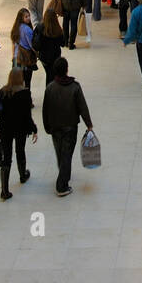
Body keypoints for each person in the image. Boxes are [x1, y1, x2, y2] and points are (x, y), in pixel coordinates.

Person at [40, 56, 92, 197]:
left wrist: (46, 126)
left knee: (60, 152)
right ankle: (61, 185)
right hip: (70, 126)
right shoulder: (74, 87)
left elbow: (45, 109)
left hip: (55, 126)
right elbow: (82, 106)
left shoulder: (50, 88)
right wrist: (89, 124)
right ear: (66, 70)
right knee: (67, 153)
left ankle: (63, 172)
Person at [0, 66, 37, 201]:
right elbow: (27, 116)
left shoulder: (3, 92)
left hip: (5, 128)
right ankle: (22, 175)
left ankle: (4, 190)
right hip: (21, 128)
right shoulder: (25, 94)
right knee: (20, 151)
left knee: (7, 157)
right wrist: (33, 129)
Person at [31, 1, 64, 83]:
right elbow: (62, 43)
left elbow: (35, 45)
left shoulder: (39, 28)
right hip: (56, 56)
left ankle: (49, 91)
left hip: (44, 57)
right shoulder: (58, 29)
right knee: (53, 75)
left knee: (49, 75)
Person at [9, 7, 38, 90]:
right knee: (27, 82)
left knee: (17, 82)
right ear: (21, 18)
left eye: (29, 16)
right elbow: (32, 46)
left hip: (16, 58)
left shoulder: (15, 29)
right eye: (26, 16)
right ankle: (26, 99)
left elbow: (13, 44)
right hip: (26, 60)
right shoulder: (27, 30)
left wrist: (13, 57)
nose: (28, 18)